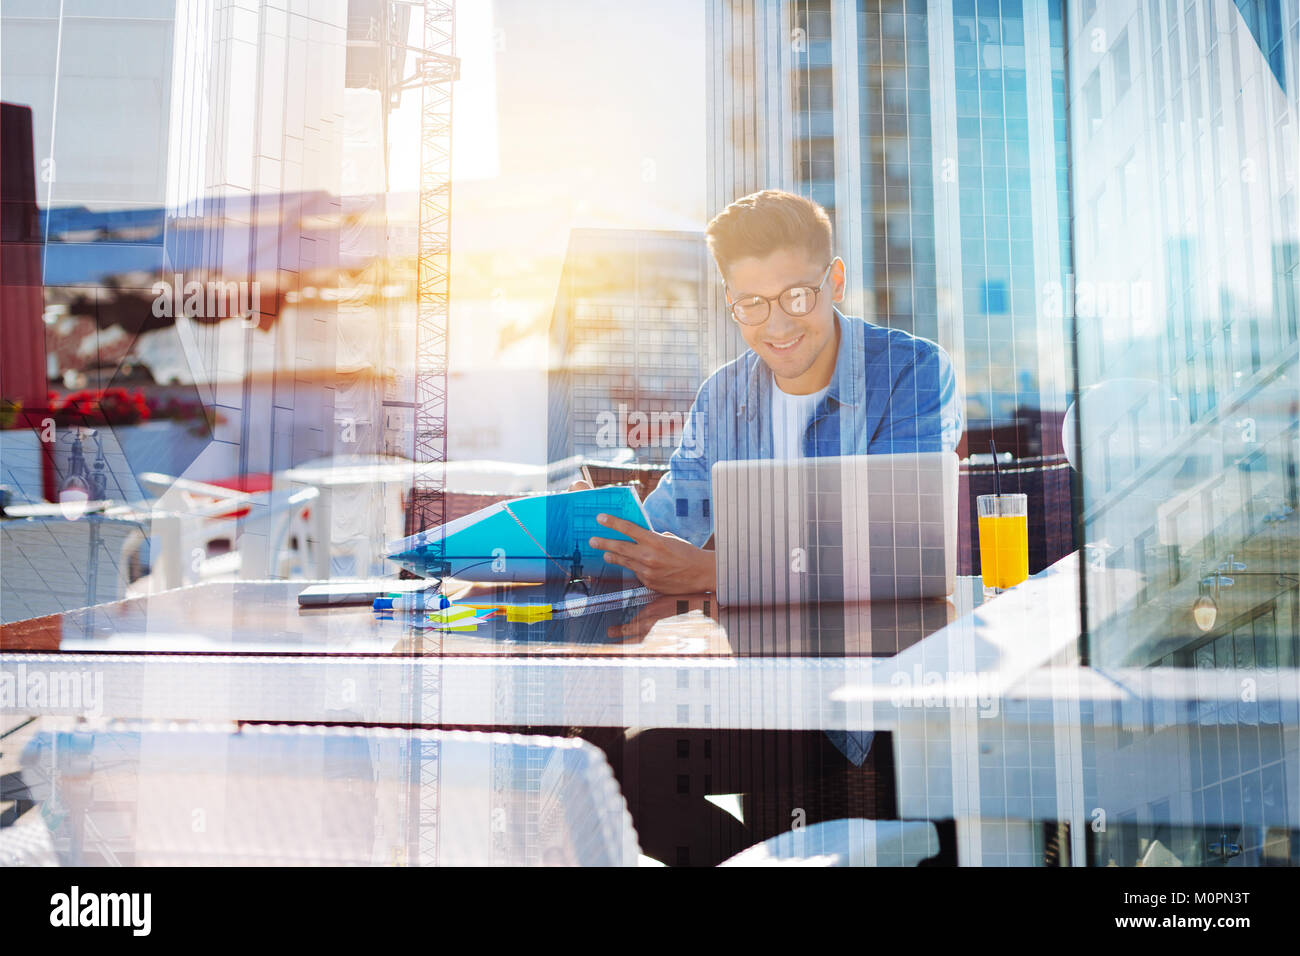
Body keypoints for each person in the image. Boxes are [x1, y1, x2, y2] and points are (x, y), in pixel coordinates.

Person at [582, 189, 963, 593]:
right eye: (752, 304)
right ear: (731, 300)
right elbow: (665, 529)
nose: (778, 327)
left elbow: (903, 553)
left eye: (797, 297)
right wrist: (599, 533)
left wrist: (718, 572)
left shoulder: (910, 373)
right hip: (750, 649)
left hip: (884, 646)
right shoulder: (722, 396)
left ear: (835, 282)